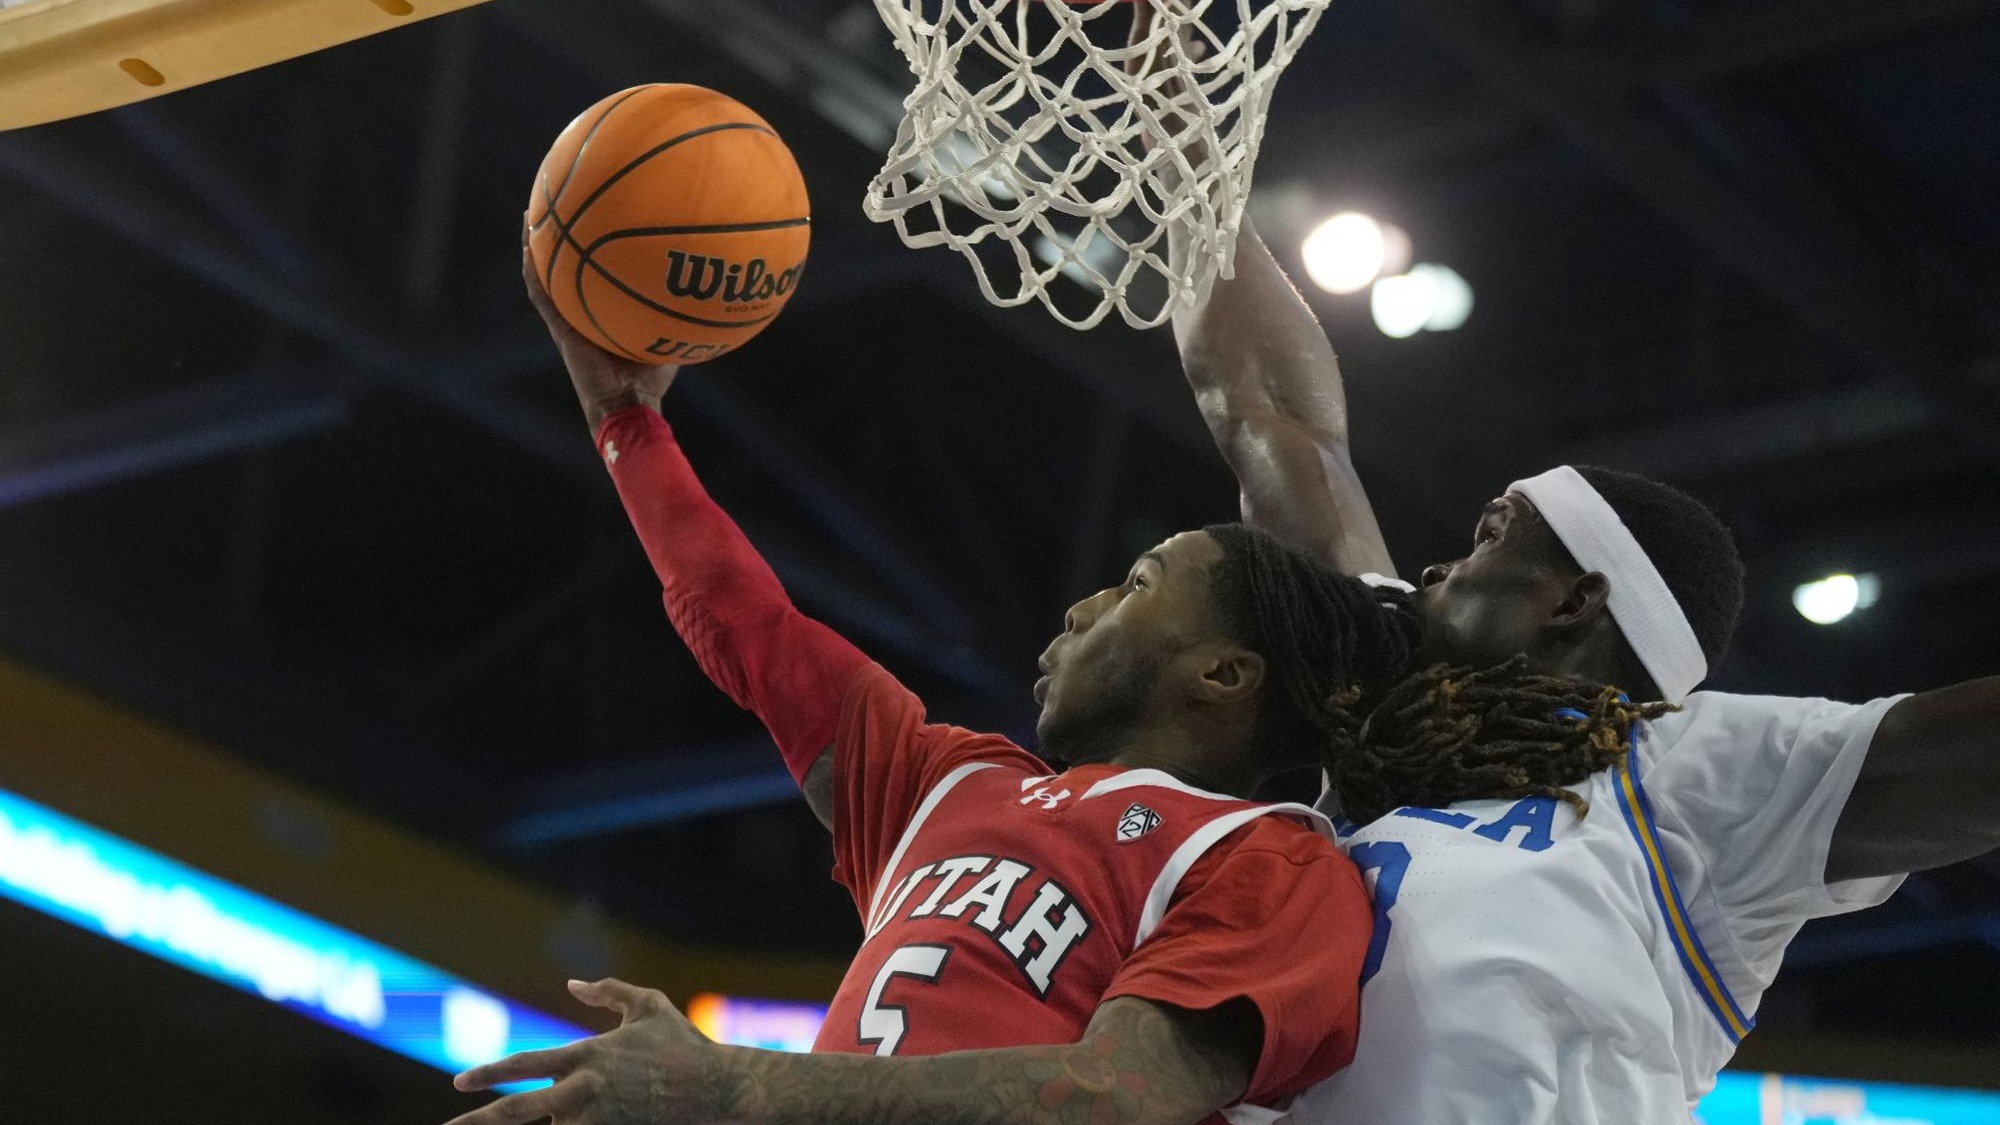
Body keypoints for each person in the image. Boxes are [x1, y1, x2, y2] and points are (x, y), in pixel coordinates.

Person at [441, 233, 1422, 1125]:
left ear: (1222, 672)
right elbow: (743, 620)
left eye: (1136, 584)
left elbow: (1115, 1096)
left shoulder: (1271, 863)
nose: (1082, 608)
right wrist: (622, 417)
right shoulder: (944, 783)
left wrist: (732, 1084)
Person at [1166, 199, 2000, 1122]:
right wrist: (1200, 179)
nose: (1436, 567)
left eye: (1490, 538)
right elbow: (1274, 420)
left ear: (1573, 600)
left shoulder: (1694, 771)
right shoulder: (1390, 701)